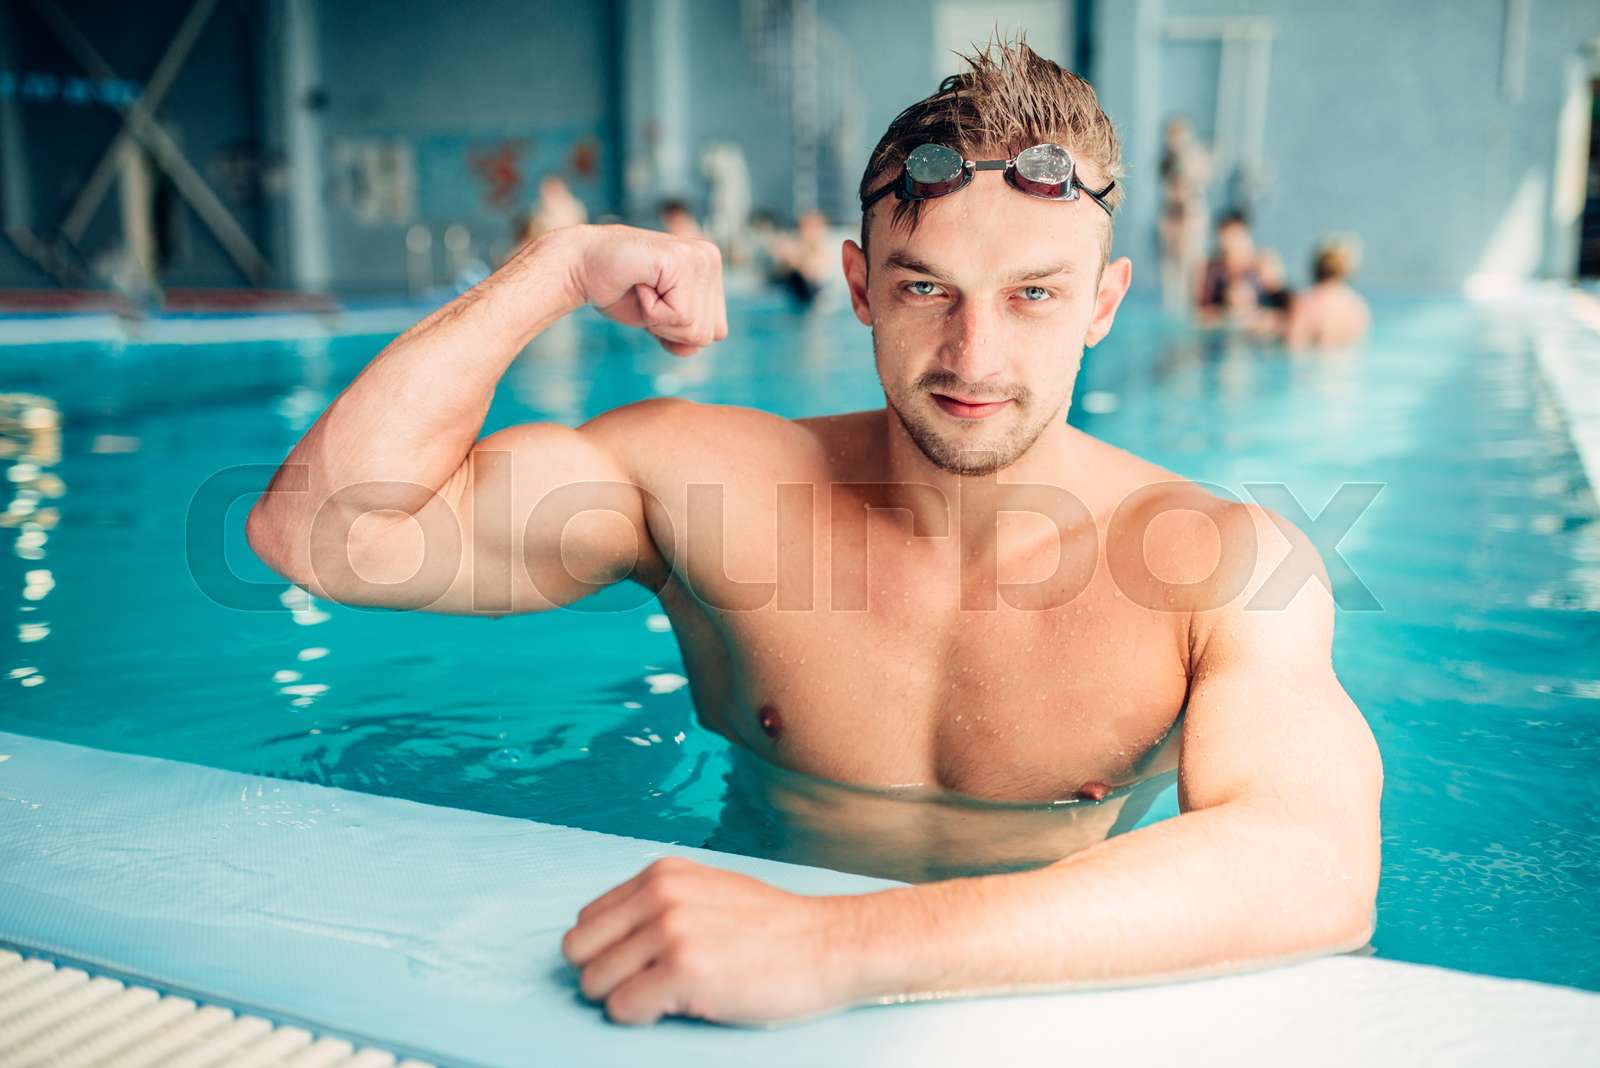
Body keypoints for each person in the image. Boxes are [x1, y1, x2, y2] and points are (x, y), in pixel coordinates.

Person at [250, 40, 1380, 1027]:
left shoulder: (1218, 566)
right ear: (858, 284)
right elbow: (322, 537)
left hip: (1010, 1011)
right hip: (711, 997)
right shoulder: (710, 488)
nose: (974, 355)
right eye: (926, 287)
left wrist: (835, 947)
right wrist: (555, 269)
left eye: (1033, 294)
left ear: (1103, 302)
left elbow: (1314, 866)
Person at [1195, 211, 1285, 334]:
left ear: (1245, 237)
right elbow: (1200, 313)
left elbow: (1283, 308)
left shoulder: (1262, 264)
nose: (1230, 243)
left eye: (1235, 237)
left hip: (1258, 326)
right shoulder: (1211, 269)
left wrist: (1257, 317)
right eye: (1226, 238)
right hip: (1224, 325)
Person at [1157, 116, 1210, 319]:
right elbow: (1168, 188)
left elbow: (1199, 180)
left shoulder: (1195, 157)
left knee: (1192, 261)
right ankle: (1170, 306)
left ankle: (1193, 305)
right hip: (1172, 214)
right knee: (1170, 262)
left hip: (1191, 215)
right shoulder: (1165, 160)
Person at [1286, 238, 1371, 349]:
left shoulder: (1306, 301)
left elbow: (1293, 342)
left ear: (1316, 266)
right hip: (1346, 359)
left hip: (1313, 358)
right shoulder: (1357, 306)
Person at [768, 210, 834, 305]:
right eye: (807, 228)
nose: (810, 232)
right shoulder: (792, 247)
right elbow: (780, 268)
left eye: (814, 228)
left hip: (811, 295)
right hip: (793, 293)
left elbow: (813, 271)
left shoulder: (824, 251)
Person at [513, 174, 588, 249]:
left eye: (554, 190)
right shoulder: (538, 209)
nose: (551, 194)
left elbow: (580, 232)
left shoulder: (575, 207)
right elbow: (535, 233)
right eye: (548, 191)